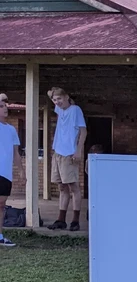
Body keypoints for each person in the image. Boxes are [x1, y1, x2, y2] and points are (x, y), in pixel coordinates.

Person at [46, 87, 87, 231]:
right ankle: (61, 220)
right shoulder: (59, 109)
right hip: (57, 152)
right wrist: (52, 93)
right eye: (55, 100)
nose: (57, 102)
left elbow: (83, 131)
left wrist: (78, 150)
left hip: (69, 153)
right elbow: (49, 93)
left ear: (66, 97)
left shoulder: (75, 110)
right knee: (61, 187)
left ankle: (75, 220)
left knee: (73, 186)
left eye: (60, 99)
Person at [0, 94, 22, 247]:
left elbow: (16, 153)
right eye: (1, 106)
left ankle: (0, 236)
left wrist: (22, 170)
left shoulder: (12, 129)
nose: (5, 108)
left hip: (6, 173)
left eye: (6, 105)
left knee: (1, 205)